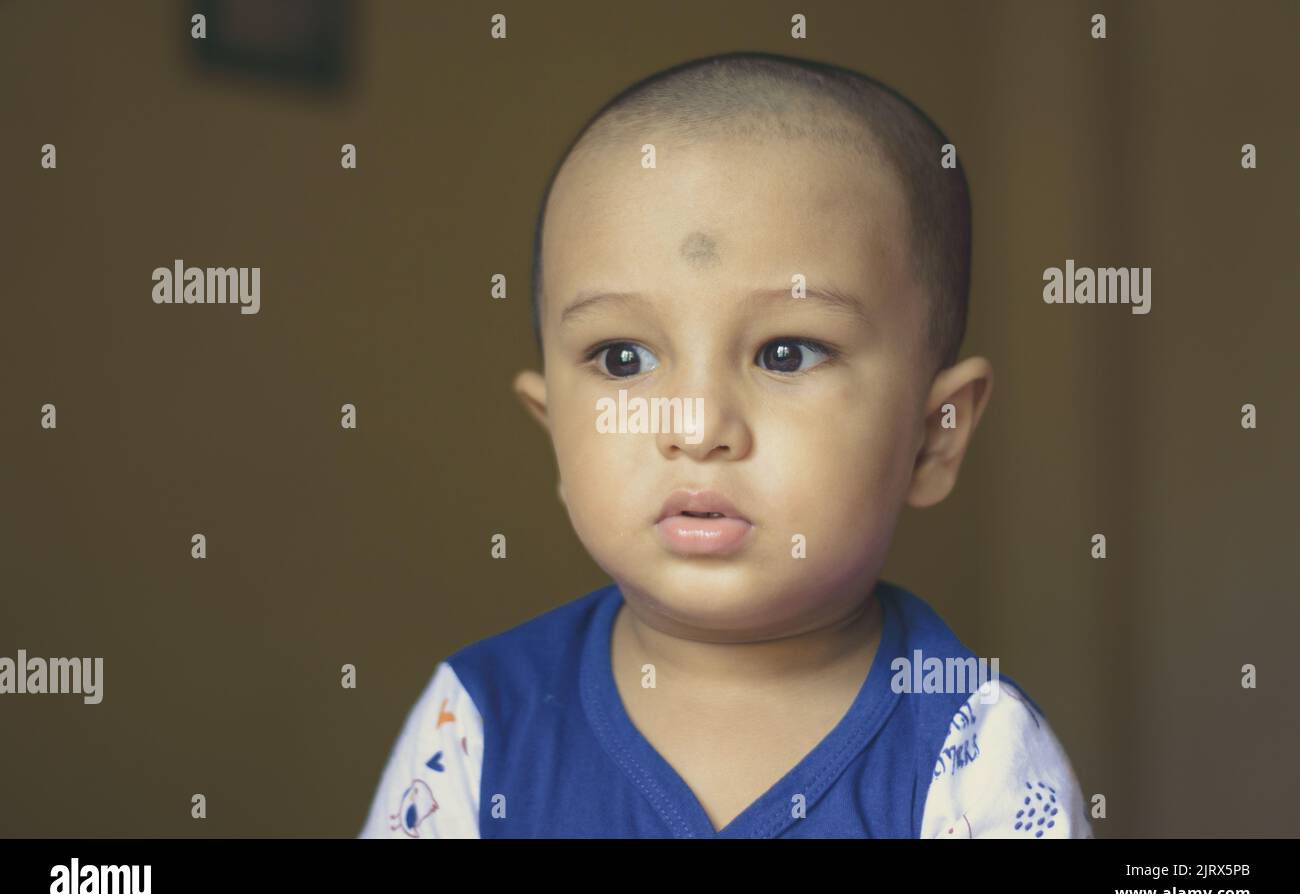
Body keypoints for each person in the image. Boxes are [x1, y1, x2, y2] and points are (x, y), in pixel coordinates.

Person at [360, 51, 1090, 838]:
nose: (696, 427)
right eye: (622, 358)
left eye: (786, 353)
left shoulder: (973, 752)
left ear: (935, 436)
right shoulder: (475, 725)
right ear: (555, 434)